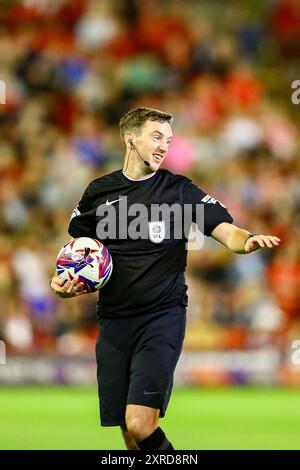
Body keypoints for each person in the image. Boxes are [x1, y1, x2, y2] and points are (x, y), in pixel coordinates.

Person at [50, 107, 281, 450]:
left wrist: (245, 241)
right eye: (156, 137)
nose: (163, 146)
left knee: (140, 424)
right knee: (129, 433)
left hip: (161, 318)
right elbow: (80, 254)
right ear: (130, 138)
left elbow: (226, 231)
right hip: (113, 323)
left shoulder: (179, 190)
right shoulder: (98, 192)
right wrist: (63, 286)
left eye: (168, 141)